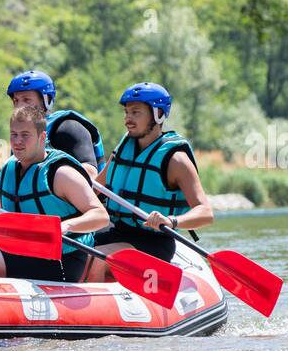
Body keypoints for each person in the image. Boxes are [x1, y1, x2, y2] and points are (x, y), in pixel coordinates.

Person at [0, 107, 108, 282]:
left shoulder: (61, 173)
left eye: (25, 135)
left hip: (61, 259)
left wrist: (66, 226)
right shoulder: (10, 168)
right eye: (14, 134)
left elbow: (100, 215)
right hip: (21, 251)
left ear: (42, 137)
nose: (17, 141)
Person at [92, 82, 214, 266]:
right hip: (116, 231)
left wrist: (171, 221)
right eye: (126, 112)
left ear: (158, 114)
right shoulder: (125, 148)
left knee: (93, 257)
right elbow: (95, 189)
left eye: (136, 112)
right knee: (70, 248)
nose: (128, 119)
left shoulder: (176, 160)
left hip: (152, 243)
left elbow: (205, 213)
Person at [6, 69, 104, 174]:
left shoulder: (69, 128)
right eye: (16, 101)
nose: (20, 106)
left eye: (26, 100)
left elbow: (90, 173)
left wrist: (51, 179)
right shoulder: (19, 137)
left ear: (46, 100)